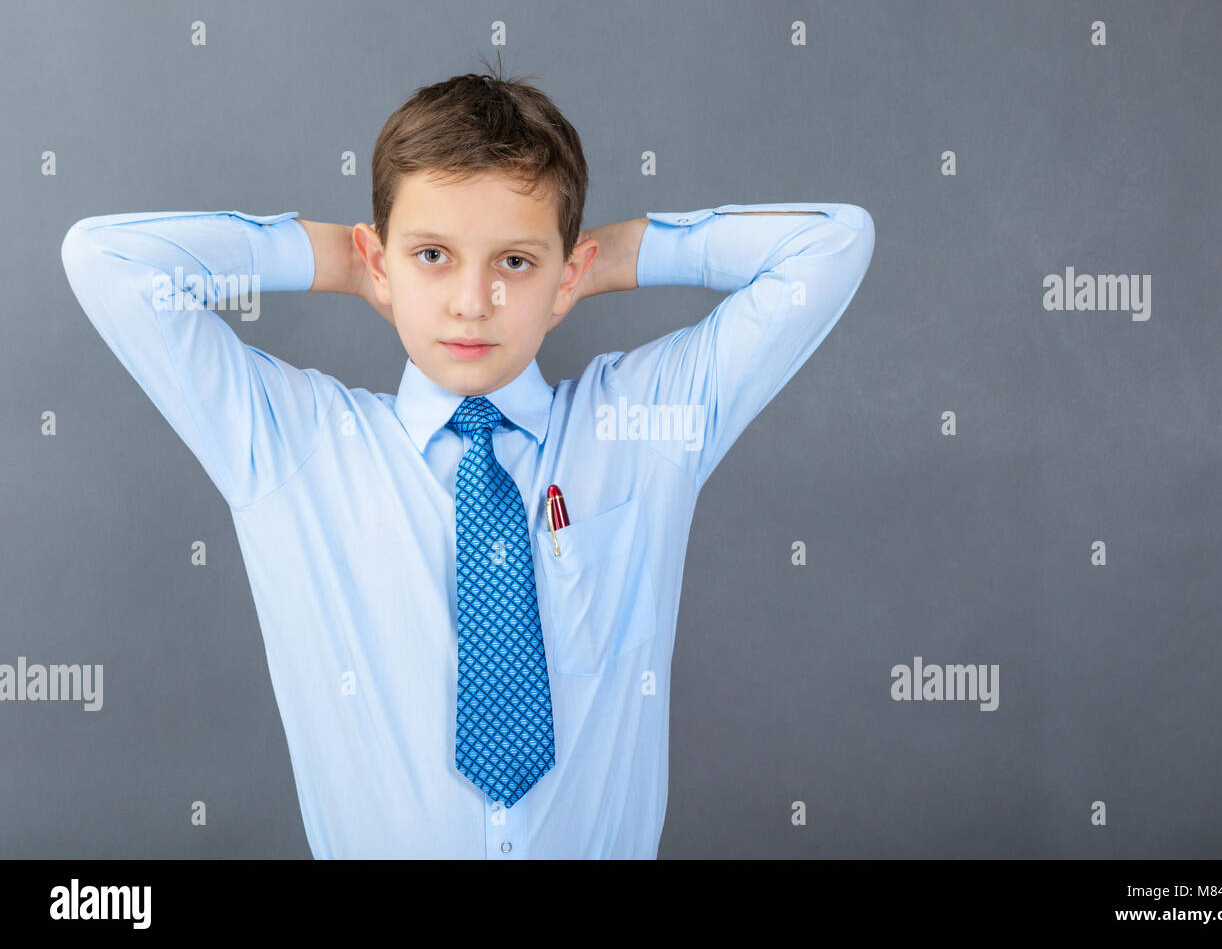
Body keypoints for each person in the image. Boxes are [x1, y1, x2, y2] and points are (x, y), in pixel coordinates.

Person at [60, 67, 876, 858]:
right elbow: (108, 261)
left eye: (514, 262)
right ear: (380, 261)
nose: (472, 303)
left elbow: (830, 247)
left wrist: (600, 261)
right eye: (433, 256)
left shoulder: (644, 427)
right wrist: (346, 264)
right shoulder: (293, 446)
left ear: (568, 274)